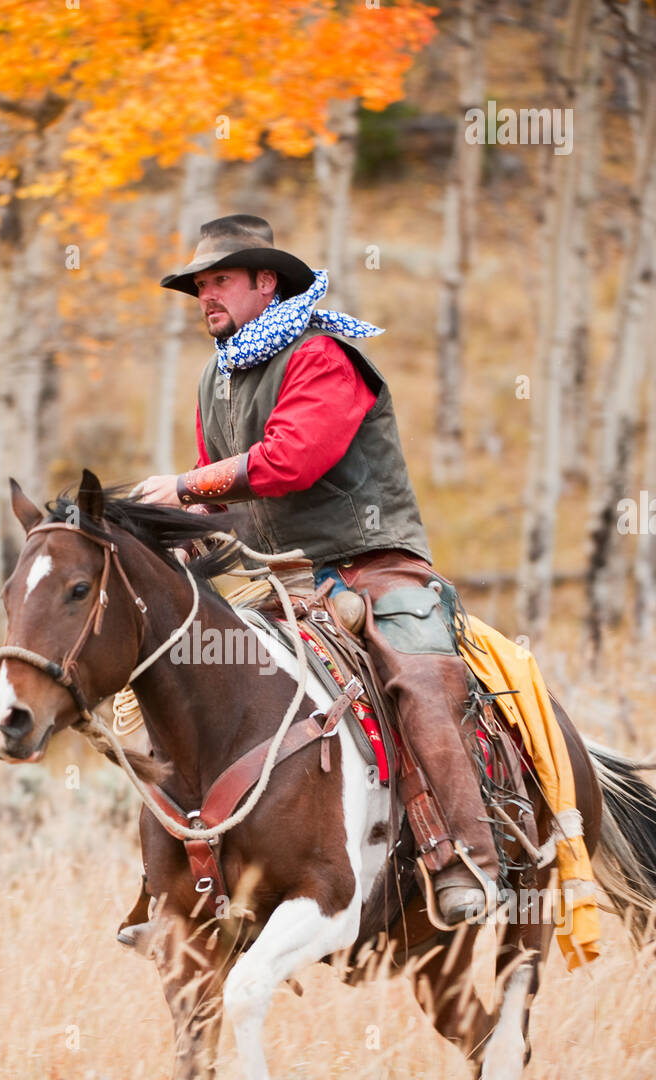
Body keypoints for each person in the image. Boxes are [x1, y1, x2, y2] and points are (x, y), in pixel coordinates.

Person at [137, 213, 498, 926]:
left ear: (265, 282)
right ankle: (174, 887)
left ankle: (464, 859)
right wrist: (176, 537)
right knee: (189, 679)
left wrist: (182, 486)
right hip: (275, 581)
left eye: (221, 281)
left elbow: (291, 461)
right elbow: (226, 497)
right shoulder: (218, 377)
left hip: (371, 565)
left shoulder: (321, 353)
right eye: (200, 285)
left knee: (419, 678)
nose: (206, 296)